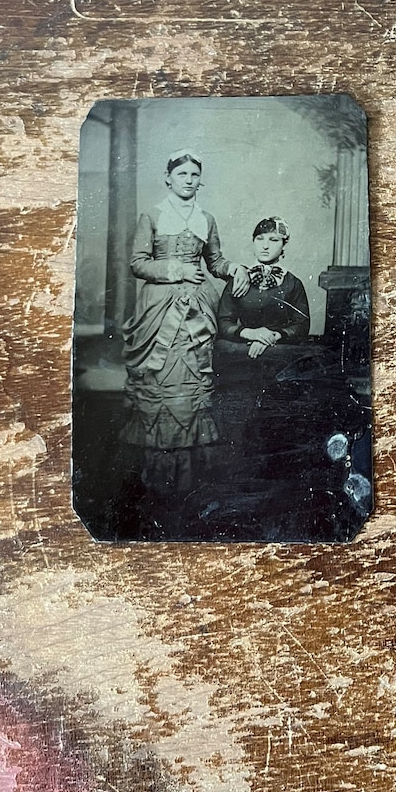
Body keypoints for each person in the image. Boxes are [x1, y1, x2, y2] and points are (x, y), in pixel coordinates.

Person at [122, 151, 249, 518]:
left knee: (193, 379)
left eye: (195, 174)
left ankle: (191, 486)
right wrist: (176, 269)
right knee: (161, 378)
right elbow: (138, 263)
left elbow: (215, 262)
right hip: (159, 309)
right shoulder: (153, 216)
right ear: (168, 178)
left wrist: (235, 269)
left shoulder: (206, 219)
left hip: (198, 310)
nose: (189, 180)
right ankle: (157, 484)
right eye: (182, 174)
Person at [216, 217, 311, 357]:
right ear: (253, 242)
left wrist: (272, 336)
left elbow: (301, 325)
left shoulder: (293, 283)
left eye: (274, 240)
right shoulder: (239, 279)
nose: (265, 246)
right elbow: (224, 322)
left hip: (280, 349)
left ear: (284, 245)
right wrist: (251, 334)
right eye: (260, 239)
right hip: (244, 347)